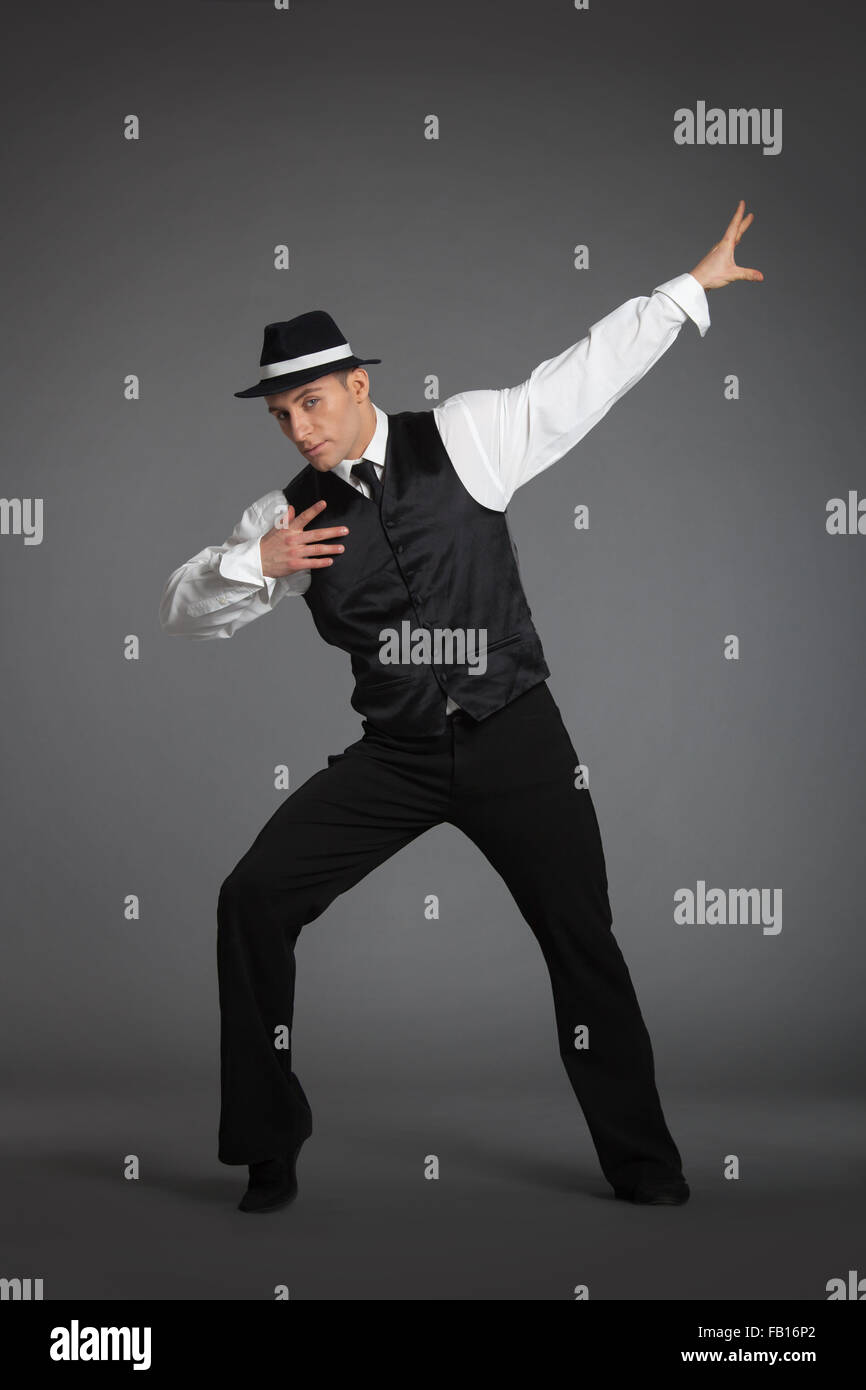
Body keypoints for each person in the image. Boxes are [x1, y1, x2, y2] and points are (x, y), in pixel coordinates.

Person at [160, 201, 762, 1214]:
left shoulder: (469, 435)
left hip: (517, 737)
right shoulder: (285, 517)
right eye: (280, 417)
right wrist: (246, 561)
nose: (299, 428)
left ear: (358, 386)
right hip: (395, 754)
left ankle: (644, 1169)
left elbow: (583, 375)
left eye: (311, 402)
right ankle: (269, 1143)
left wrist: (686, 292)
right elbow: (183, 614)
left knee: (583, 941)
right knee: (251, 897)